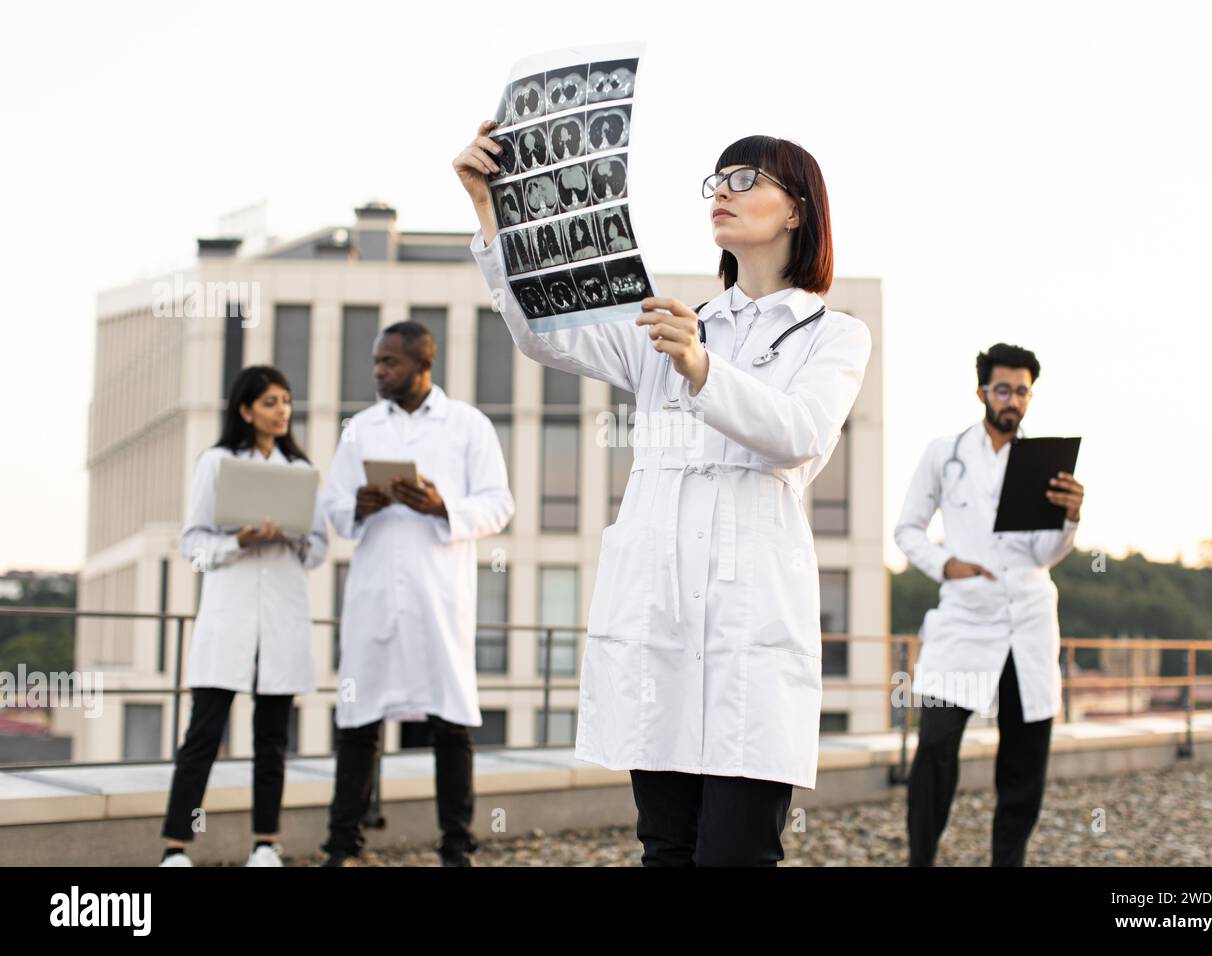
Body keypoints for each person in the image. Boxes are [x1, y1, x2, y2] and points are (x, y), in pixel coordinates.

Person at [454, 122, 871, 866]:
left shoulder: (831, 335)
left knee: (737, 853)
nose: (723, 192)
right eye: (717, 180)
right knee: (666, 847)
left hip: (750, 628)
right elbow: (545, 333)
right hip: (664, 618)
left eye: (746, 179)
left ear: (798, 209)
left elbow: (800, 431)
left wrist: (702, 367)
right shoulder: (674, 323)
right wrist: (492, 213)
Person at [319, 321, 514, 867]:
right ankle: (342, 846)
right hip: (375, 592)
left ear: (422, 364)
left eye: (389, 363)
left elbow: (499, 504)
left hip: (439, 595)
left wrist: (439, 507)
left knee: (450, 724)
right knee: (358, 722)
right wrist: (358, 504)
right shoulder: (359, 429)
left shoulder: (468, 426)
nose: (379, 371)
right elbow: (332, 507)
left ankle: (456, 846)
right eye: (377, 361)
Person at [894, 343, 1086, 866]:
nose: (1012, 400)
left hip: (1026, 622)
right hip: (963, 622)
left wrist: (1070, 520)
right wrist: (945, 564)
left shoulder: (1043, 462)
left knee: (1023, 765)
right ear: (982, 392)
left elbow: (1045, 554)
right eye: (1003, 389)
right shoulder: (944, 452)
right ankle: (920, 860)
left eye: (1022, 391)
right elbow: (907, 529)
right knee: (934, 748)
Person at [160, 366, 329, 867]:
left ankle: (264, 842)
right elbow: (193, 544)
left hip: (281, 615)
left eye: (286, 401)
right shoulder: (215, 464)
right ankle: (175, 846)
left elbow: (319, 549)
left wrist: (291, 535)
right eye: (271, 402)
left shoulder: (301, 470)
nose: (281, 411)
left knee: (272, 738)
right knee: (203, 736)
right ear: (245, 409)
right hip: (229, 616)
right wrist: (239, 541)